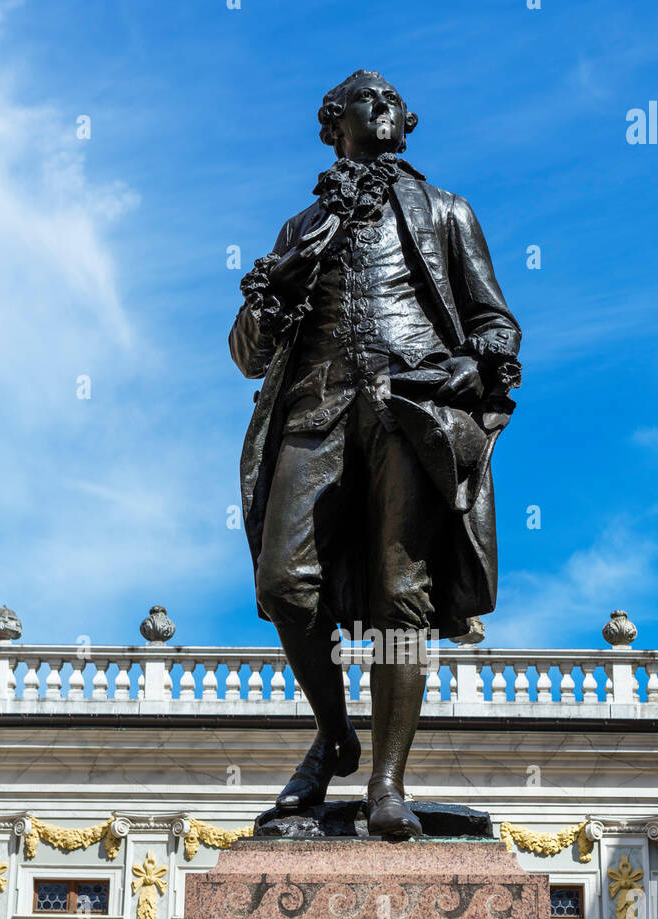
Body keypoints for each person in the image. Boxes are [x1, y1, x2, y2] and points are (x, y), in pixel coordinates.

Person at [229, 70, 521, 835]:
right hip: (316, 407)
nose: (387, 108)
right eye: (369, 99)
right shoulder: (299, 231)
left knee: (402, 595)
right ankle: (334, 734)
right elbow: (247, 357)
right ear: (336, 121)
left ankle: (388, 782)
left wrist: (471, 365)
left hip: (409, 407)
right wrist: (265, 299)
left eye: (395, 101)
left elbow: (496, 324)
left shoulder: (447, 212)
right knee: (284, 584)